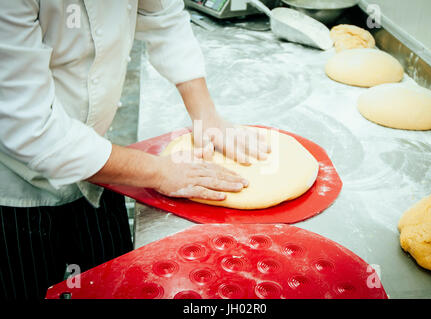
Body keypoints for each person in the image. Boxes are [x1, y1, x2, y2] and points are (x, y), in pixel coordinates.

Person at [0, 0, 269, 299]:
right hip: (16, 190)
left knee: (113, 287)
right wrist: (161, 172)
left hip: (101, 163)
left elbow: (163, 16)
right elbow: (29, 129)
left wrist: (205, 113)